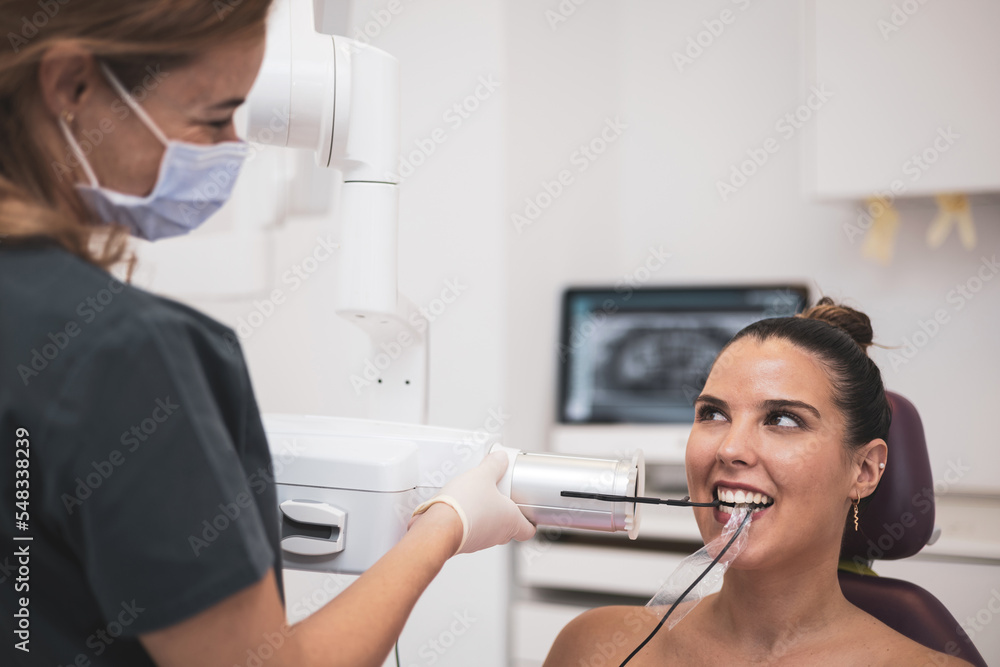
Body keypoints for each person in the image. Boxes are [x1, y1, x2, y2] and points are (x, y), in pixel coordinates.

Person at [0, 2, 534, 666]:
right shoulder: (125, 354)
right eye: (215, 115)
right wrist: (444, 527)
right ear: (73, 86)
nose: (233, 148)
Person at [543, 299, 974, 666]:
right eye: (713, 414)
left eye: (783, 419)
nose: (730, 449)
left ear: (864, 470)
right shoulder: (593, 649)